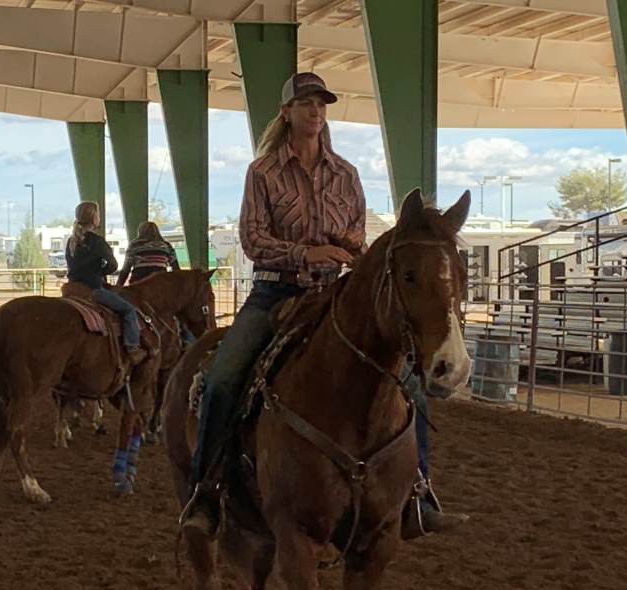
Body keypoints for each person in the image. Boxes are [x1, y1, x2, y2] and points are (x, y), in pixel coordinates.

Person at [180, 71, 463, 542]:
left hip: (334, 291)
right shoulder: (263, 171)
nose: (316, 111)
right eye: (307, 104)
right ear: (287, 113)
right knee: (224, 377)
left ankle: (418, 492)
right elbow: (252, 238)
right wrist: (304, 252)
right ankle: (206, 491)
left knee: (407, 380)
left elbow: (356, 232)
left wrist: (342, 244)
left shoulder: (346, 174)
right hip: (275, 291)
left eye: (322, 105)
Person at [65, 201, 146, 364]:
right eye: (98, 215)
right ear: (94, 218)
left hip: (72, 289)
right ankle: (132, 347)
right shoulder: (97, 241)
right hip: (92, 288)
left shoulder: (71, 241)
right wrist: (100, 271)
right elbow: (113, 265)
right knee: (129, 310)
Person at [116, 221, 180, 287]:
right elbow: (176, 268)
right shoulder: (166, 246)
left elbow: (126, 268)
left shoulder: (134, 245)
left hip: (138, 282)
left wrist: (119, 285)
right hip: (160, 283)